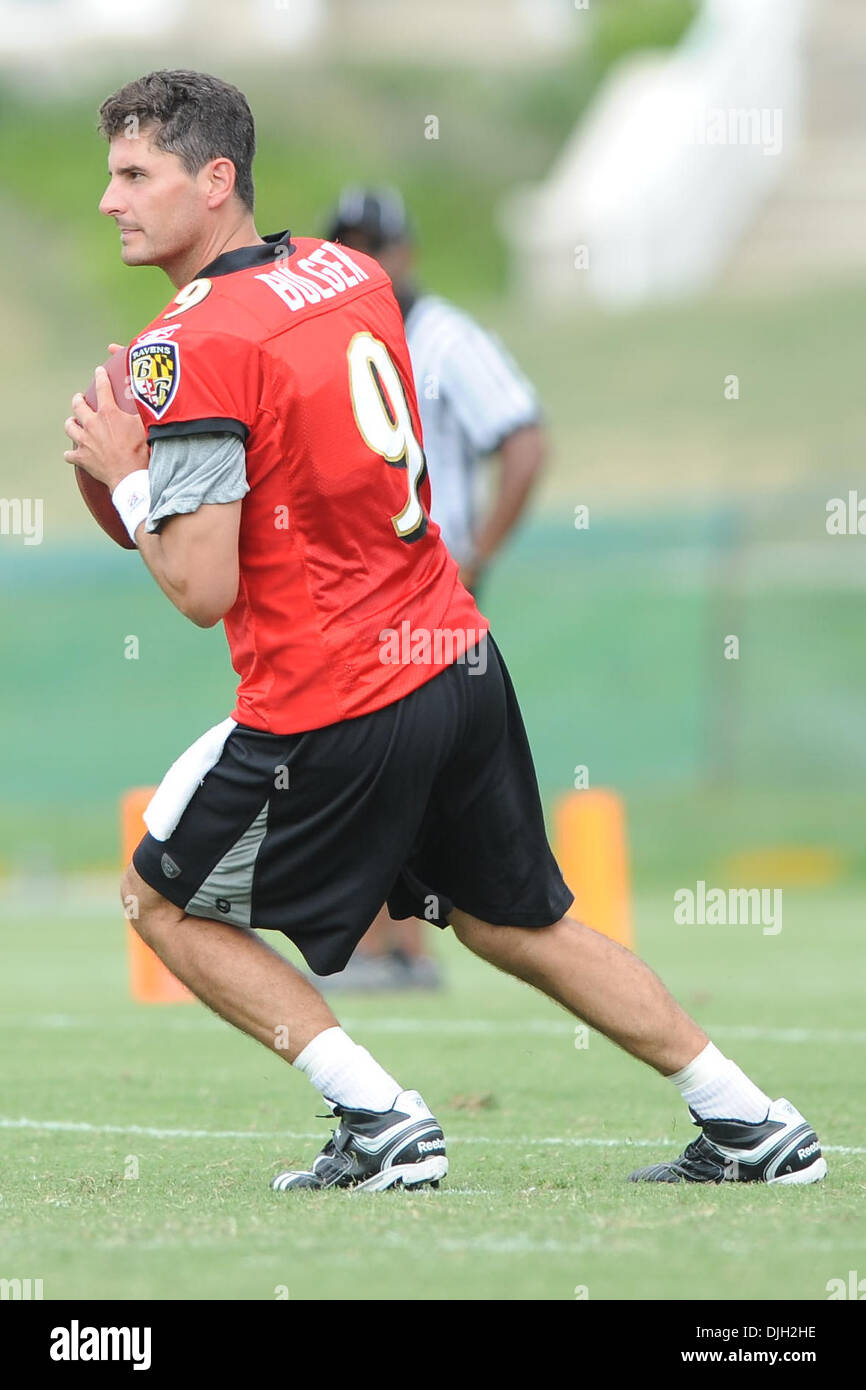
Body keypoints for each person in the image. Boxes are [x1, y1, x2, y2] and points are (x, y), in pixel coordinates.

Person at [64, 68, 826, 1192]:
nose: (110, 199)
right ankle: (753, 1119)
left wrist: (128, 478)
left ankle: (379, 1119)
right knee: (515, 920)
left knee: (157, 897)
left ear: (214, 178)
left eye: (136, 174)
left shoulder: (191, 339)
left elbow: (199, 588)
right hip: (454, 654)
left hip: (337, 689)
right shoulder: (349, 272)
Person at [315, 186, 547, 991]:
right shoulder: (334, 334)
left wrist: (479, 552)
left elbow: (521, 436)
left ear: (407, 253)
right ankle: (397, 948)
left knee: (372, 757)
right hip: (362, 591)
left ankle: (391, 949)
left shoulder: (442, 337)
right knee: (378, 761)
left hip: (425, 592)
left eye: (376, 244)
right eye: (347, 244)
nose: (365, 259)